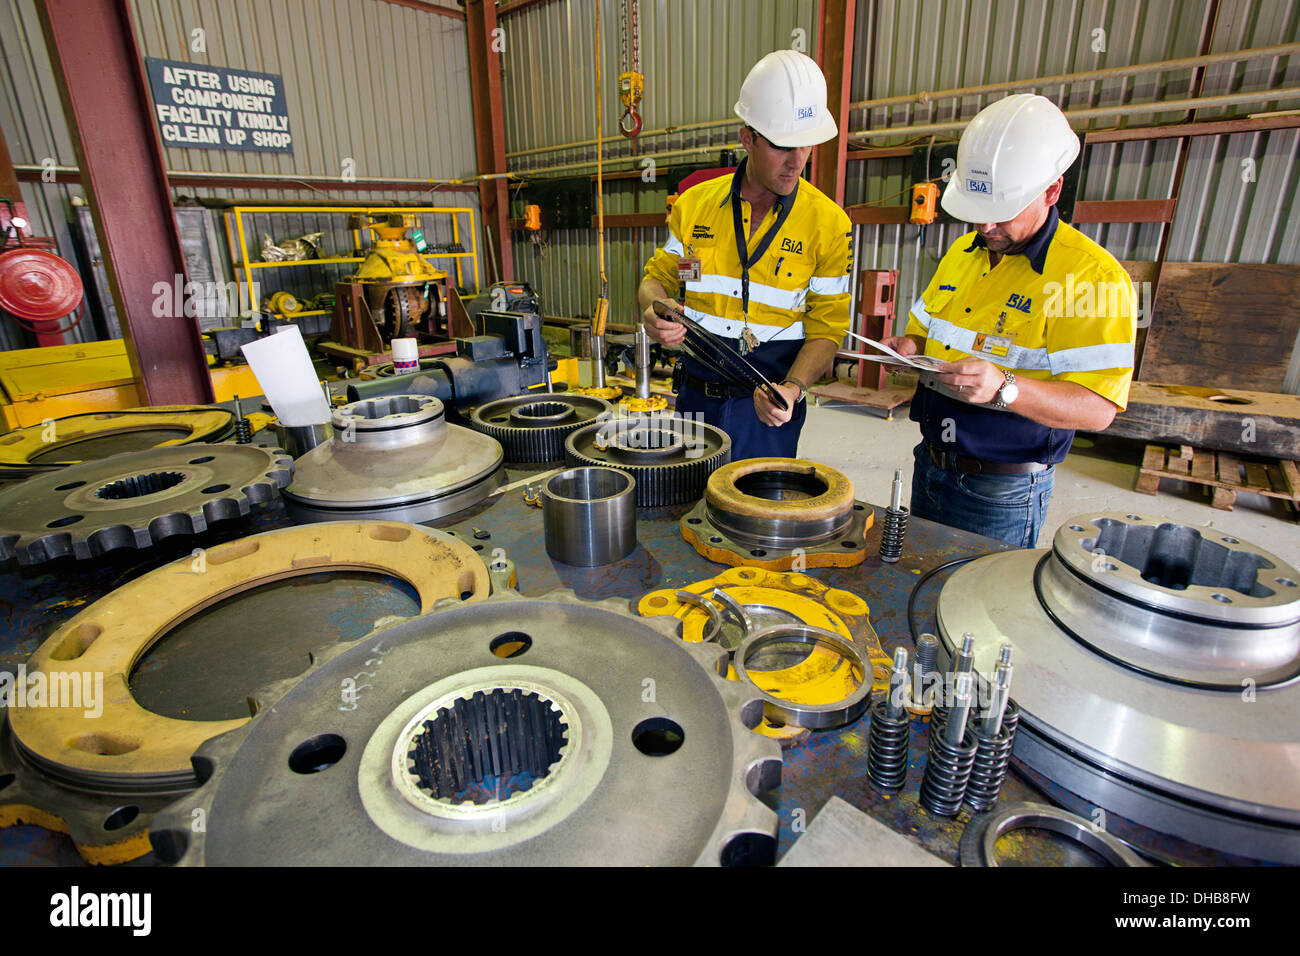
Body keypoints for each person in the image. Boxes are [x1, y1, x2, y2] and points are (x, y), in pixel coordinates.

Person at [883, 93, 1135, 548]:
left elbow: (1099, 409)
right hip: (931, 463)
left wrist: (1006, 389)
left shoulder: (1090, 278)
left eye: (1001, 214)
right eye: (977, 213)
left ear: (1052, 191)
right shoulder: (962, 254)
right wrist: (909, 350)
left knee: (977, 608)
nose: (985, 228)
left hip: (1003, 492)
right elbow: (924, 335)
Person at [639, 49, 852, 459]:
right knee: (690, 513)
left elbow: (827, 329)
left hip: (770, 411)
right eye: (781, 146)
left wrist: (792, 389)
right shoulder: (694, 206)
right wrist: (654, 309)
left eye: (806, 146)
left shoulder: (829, 224)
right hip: (696, 403)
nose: (796, 162)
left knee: (756, 515)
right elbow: (658, 278)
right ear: (747, 138)